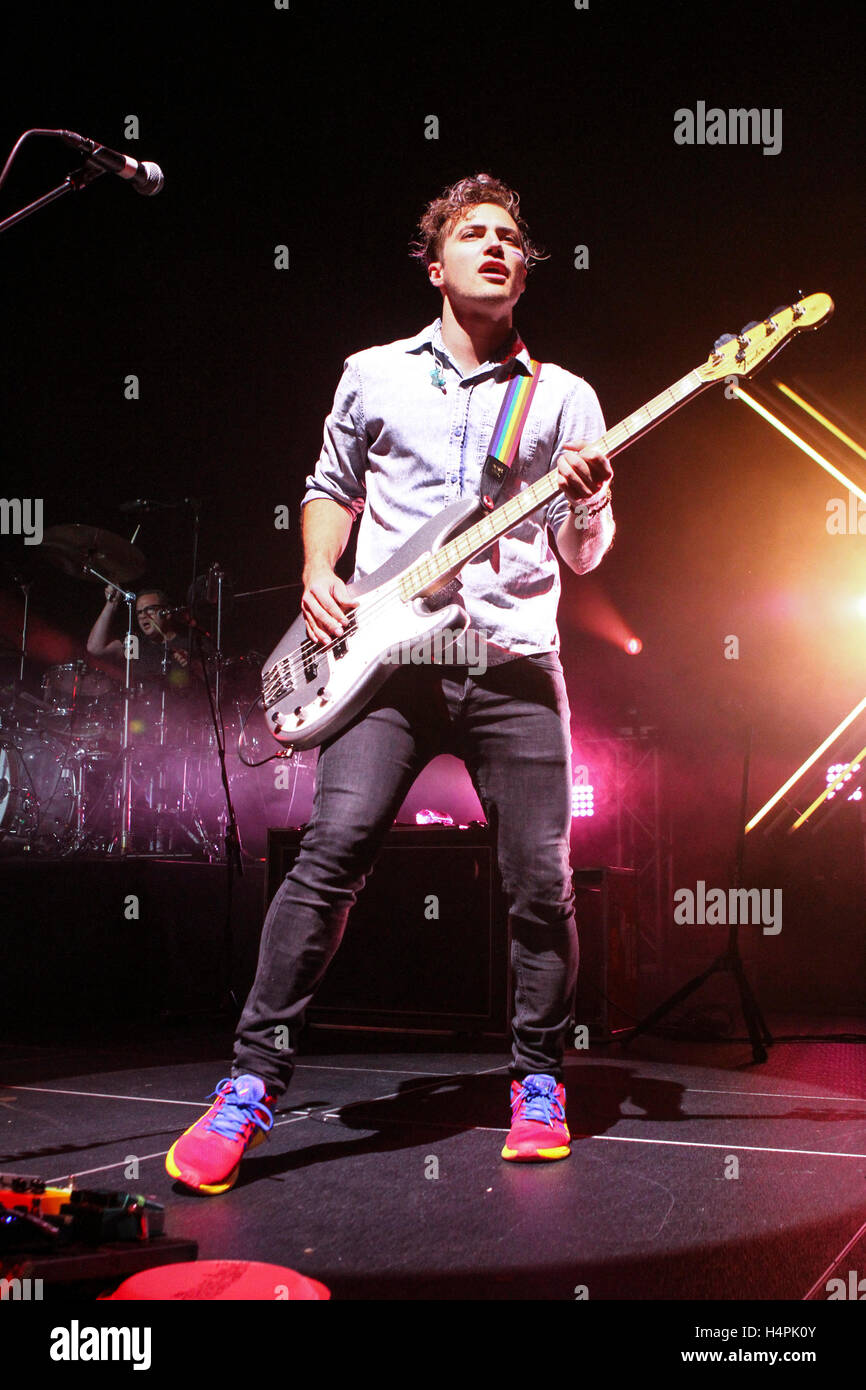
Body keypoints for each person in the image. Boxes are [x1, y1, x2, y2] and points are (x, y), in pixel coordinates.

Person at [166, 173, 615, 1195]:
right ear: (435, 261)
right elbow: (328, 489)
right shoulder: (370, 373)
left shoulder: (564, 398)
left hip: (509, 663)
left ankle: (536, 1077)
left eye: (510, 237)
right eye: (473, 234)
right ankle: (247, 1084)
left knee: (539, 883)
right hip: (387, 663)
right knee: (328, 854)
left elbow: (584, 555)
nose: (496, 247)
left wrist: (585, 506)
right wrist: (322, 572)